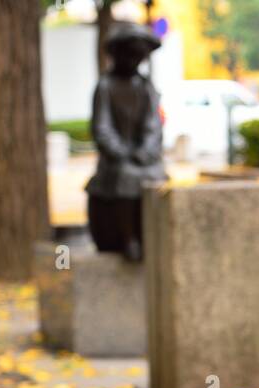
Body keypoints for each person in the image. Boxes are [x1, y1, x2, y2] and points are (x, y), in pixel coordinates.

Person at [86, 22, 165, 263]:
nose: (133, 60)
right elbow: (102, 128)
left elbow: (153, 124)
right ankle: (128, 237)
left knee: (158, 176)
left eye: (138, 56)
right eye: (129, 54)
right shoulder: (106, 86)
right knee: (127, 175)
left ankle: (153, 236)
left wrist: (146, 150)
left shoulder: (145, 87)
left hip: (142, 157)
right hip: (116, 161)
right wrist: (121, 152)